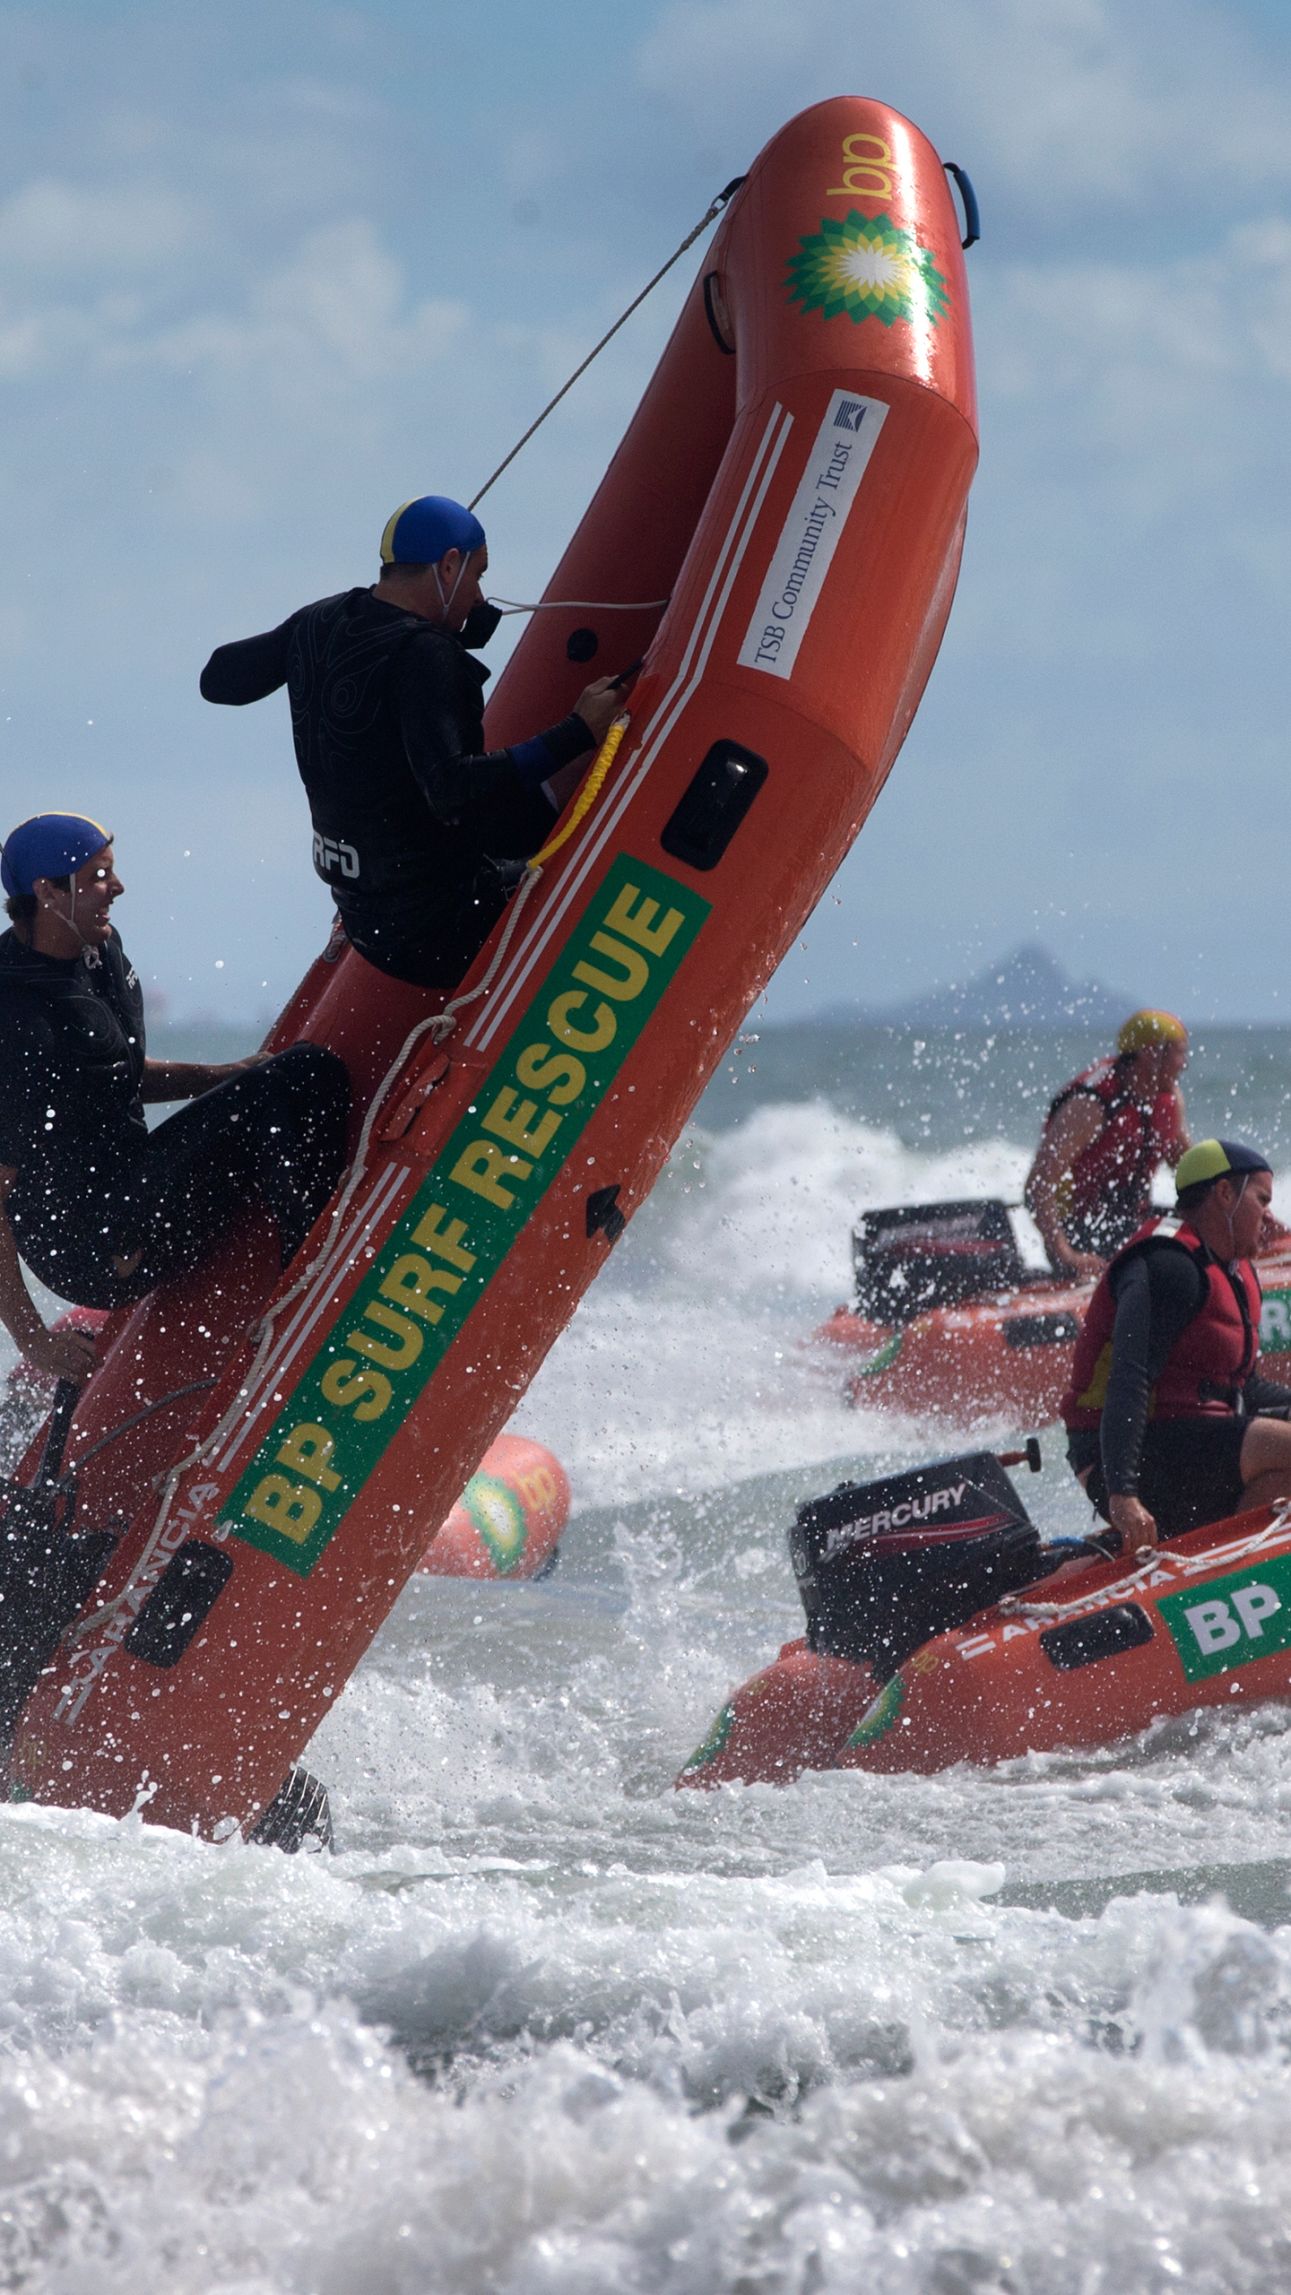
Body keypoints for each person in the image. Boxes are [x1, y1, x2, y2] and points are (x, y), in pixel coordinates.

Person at [199, 494, 626, 989]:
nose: (480, 597)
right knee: (595, 872)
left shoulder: (322, 620)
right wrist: (577, 731)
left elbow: (218, 681)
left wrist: (446, 640)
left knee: (534, 798)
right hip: (441, 930)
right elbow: (450, 789)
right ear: (449, 566)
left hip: (366, 919)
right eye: (477, 575)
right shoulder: (426, 656)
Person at [0, 814, 351, 1382]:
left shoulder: (98, 950)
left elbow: (112, 1078)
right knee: (305, 1073)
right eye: (97, 876)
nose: (117, 888)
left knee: (290, 1076)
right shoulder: (15, 1015)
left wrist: (226, 1074)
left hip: (127, 1186)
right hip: (94, 1243)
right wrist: (34, 1342)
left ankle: (303, 1277)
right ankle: (310, 1294)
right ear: (46, 891)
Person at [1061, 1139, 1291, 1558]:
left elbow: (1245, 1388)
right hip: (1125, 1457)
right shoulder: (1167, 1265)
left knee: (1281, 1484)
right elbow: (1128, 1378)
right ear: (1225, 1194)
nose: (1269, 1217)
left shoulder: (1234, 1272)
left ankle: (1226, 1567)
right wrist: (1123, 1494)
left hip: (1190, 1443)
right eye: (1261, 1200)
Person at [1024, 1009, 1190, 1280]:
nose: (1184, 1064)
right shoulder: (1090, 1105)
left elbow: (1189, 1171)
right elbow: (1038, 1186)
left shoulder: (1169, 1098)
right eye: (1180, 1053)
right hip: (1079, 1233)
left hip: (1132, 1222)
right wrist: (1068, 1254)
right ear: (1151, 1053)